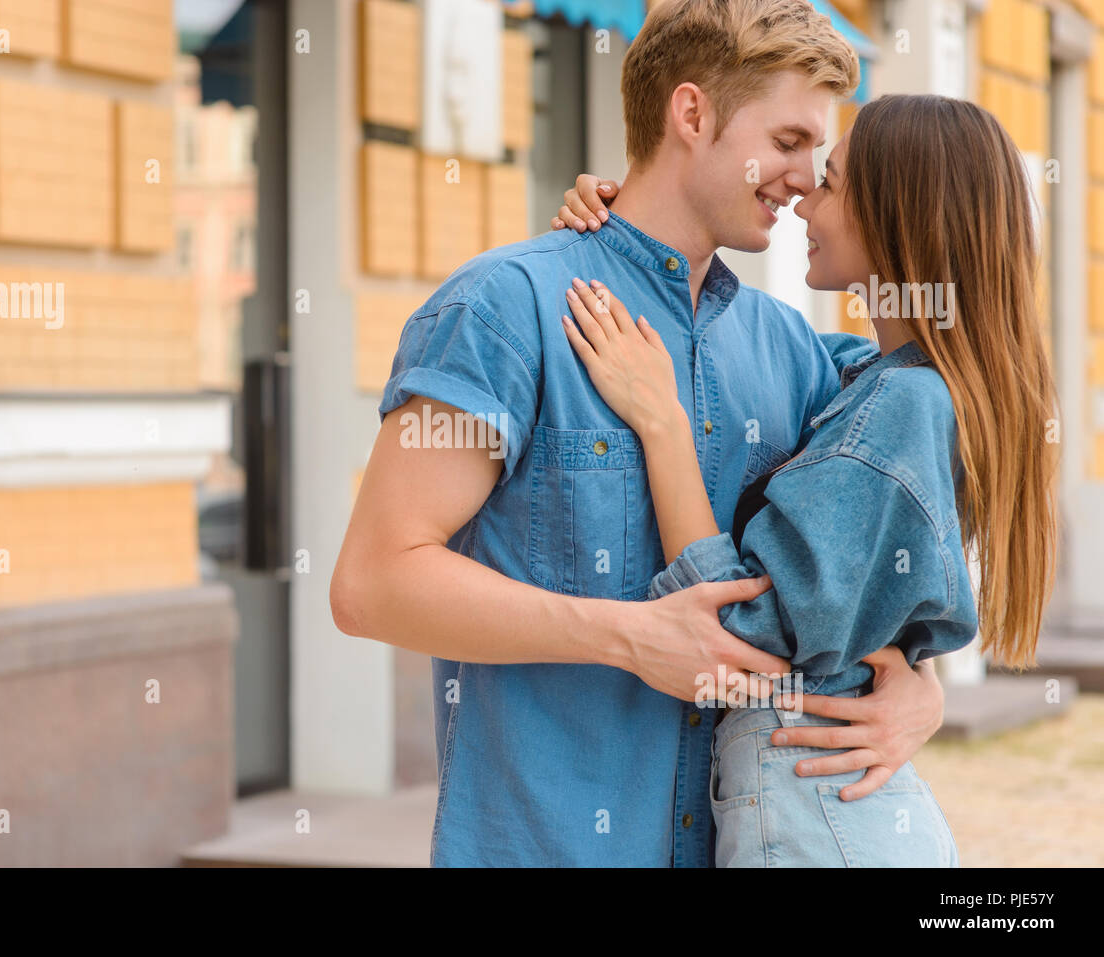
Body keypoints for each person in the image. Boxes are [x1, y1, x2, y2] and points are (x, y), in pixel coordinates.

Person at [331, 0, 949, 867]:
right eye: (786, 142)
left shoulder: (800, 357)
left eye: (817, 152)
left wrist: (923, 685)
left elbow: (880, 532)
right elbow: (370, 583)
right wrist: (625, 635)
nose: (807, 177)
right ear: (691, 114)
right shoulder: (505, 308)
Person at [554, 93, 1058, 865]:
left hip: (813, 809)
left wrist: (661, 424)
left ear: (899, 215)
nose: (802, 206)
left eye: (829, 182)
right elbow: (769, 350)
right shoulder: (894, 383)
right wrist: (641, 232)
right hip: (829, 803)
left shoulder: (900, 404)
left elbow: (734, 637)